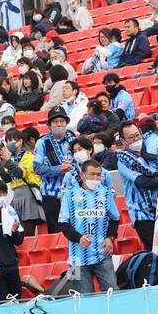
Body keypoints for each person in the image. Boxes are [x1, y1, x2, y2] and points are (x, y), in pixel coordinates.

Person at [59, 160, 120, 294]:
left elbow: (115, 219)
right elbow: (63, 223)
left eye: (98, 175)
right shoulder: (69, 194)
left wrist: (110, 238)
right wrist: (78, 238)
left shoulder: (106, 193)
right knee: (84, 298)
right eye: (92, 174)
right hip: (77, 257)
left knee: (112, 293)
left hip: (102, 254)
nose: (95, 178)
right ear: (82, 175)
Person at [34, 107, 76, 230]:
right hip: (50, 194)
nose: (59, 124)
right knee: (56, 231)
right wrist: (58, 169)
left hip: (71, 192)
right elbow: (37, 168)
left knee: (74, 230)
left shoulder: (73, 140)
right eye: (55, 121)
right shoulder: (42, 142)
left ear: (66, 123)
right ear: (49, 124)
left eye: (61, 121)